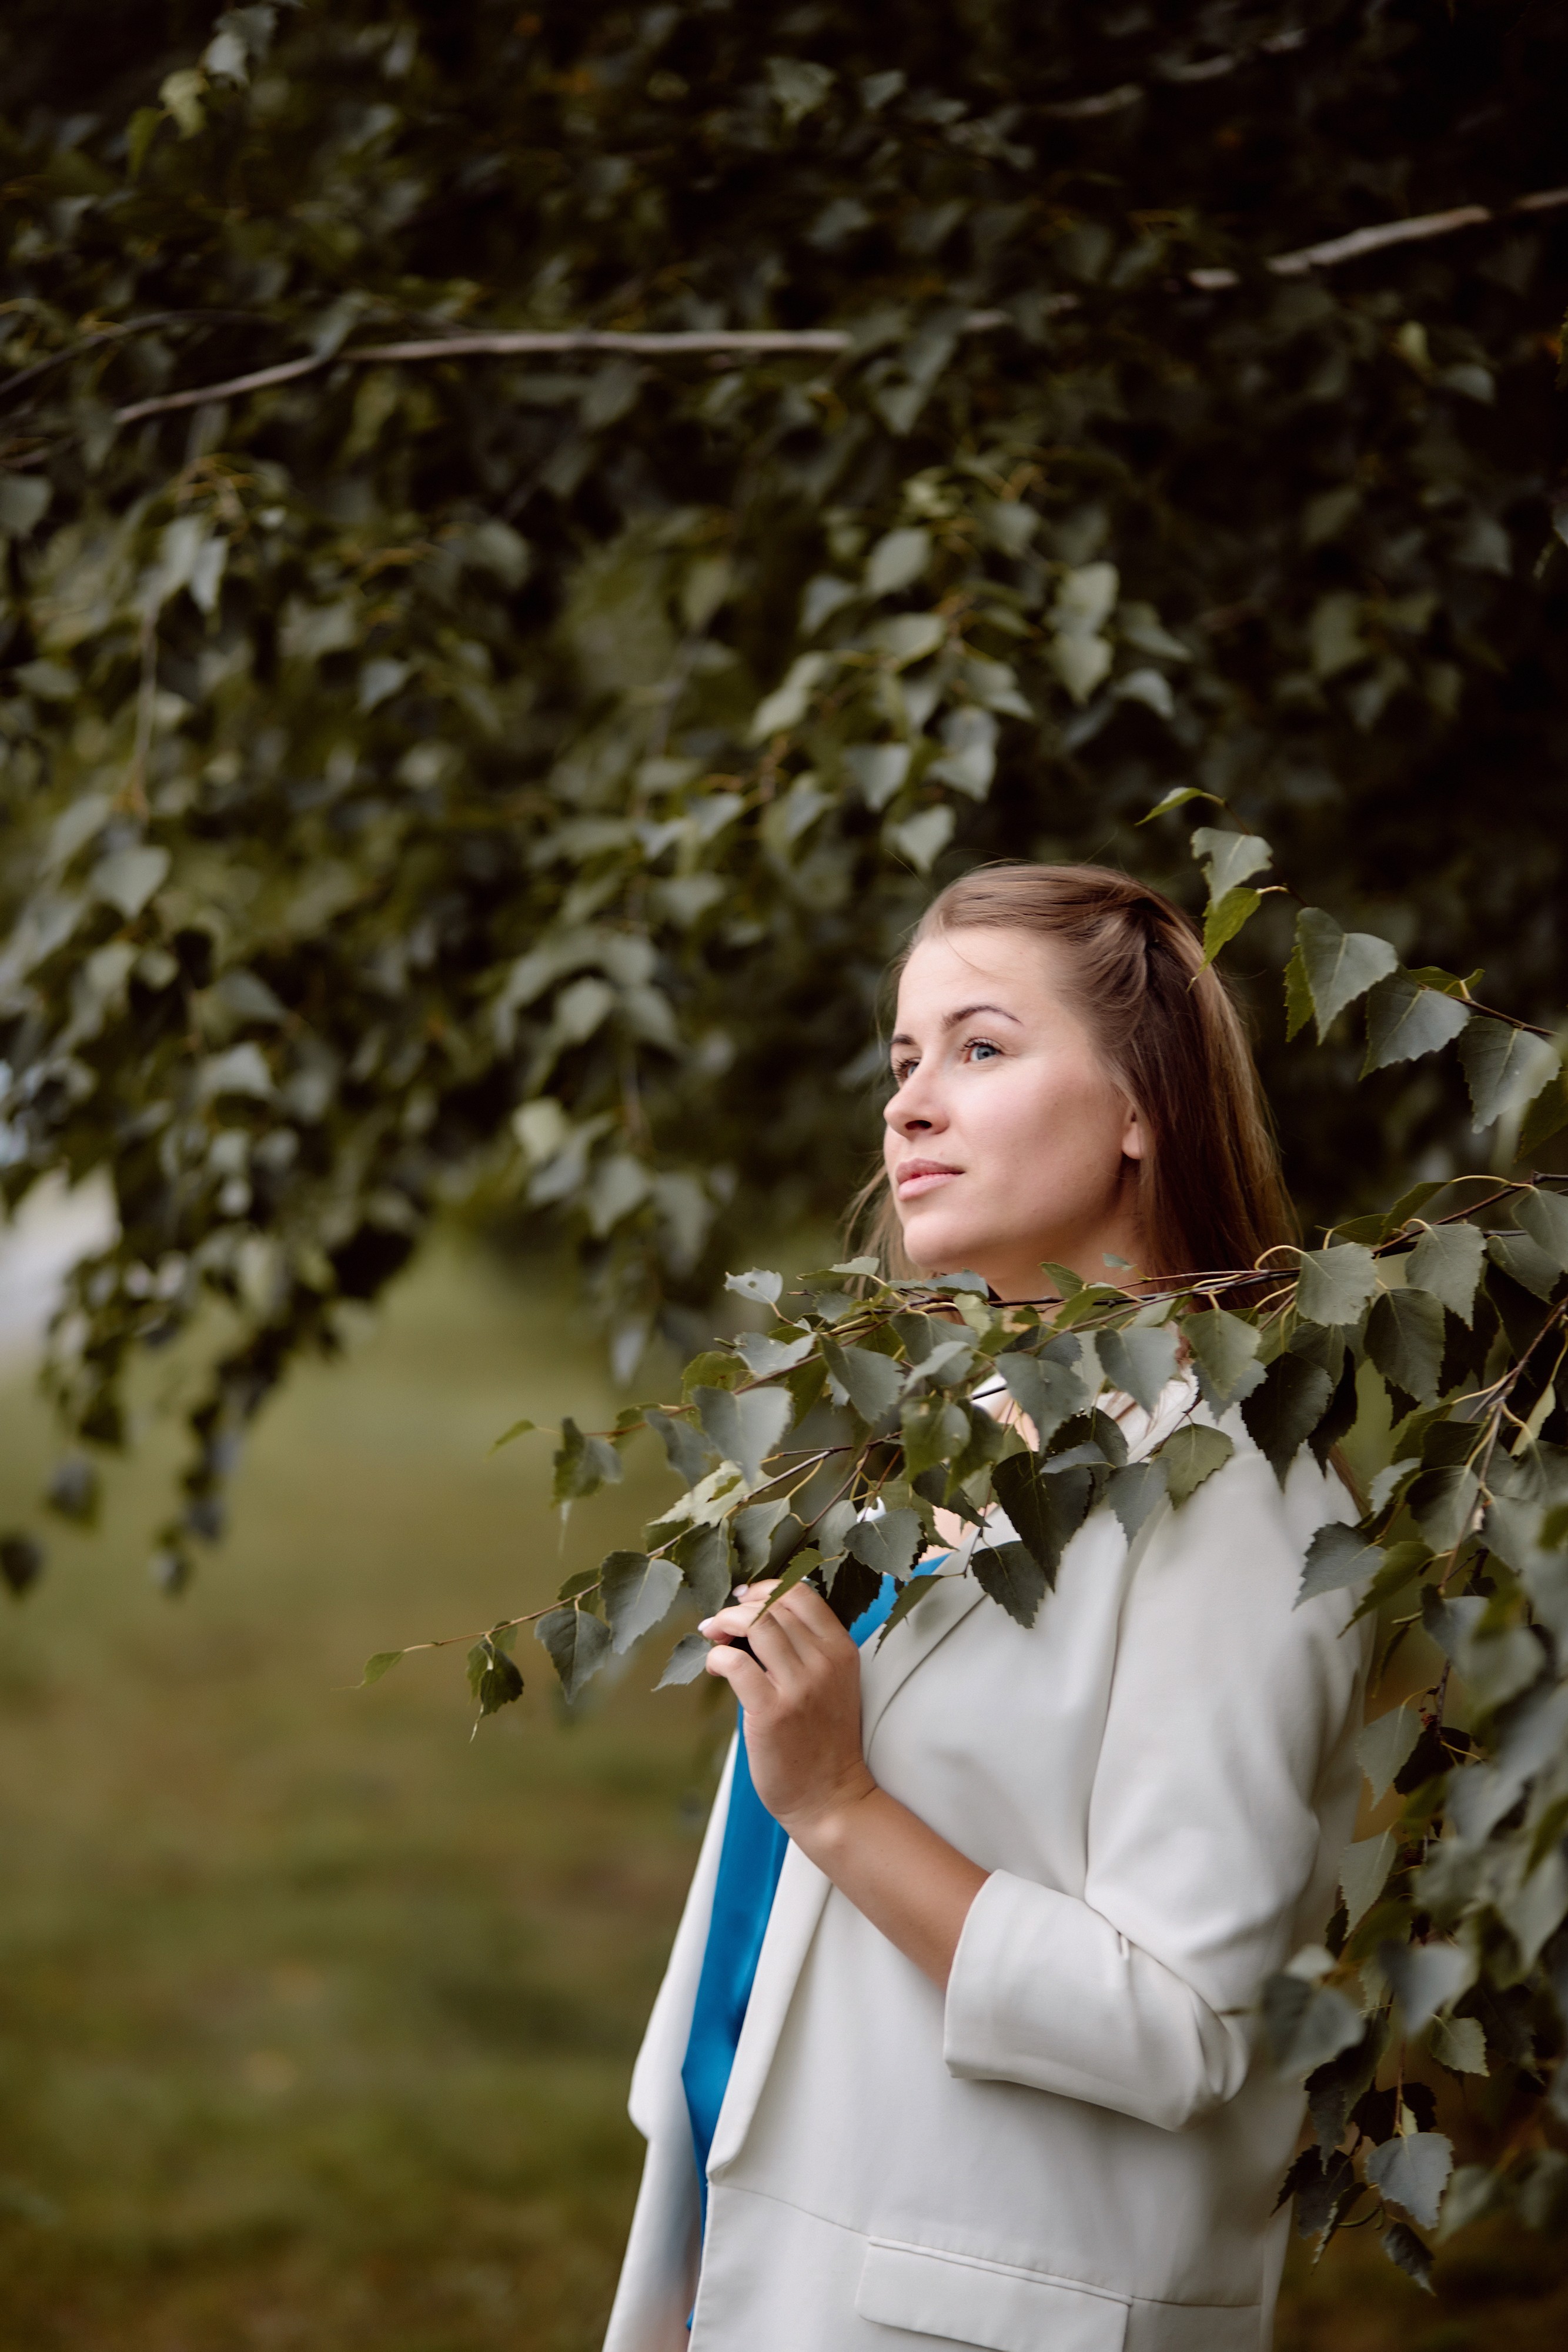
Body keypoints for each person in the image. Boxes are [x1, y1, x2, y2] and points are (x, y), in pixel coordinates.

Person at [603, 864, 1371, 2352]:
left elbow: (1182, 2023)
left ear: (1140, 1105)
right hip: (754, 2250)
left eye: (978, 1047)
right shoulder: (944, 1443)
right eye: (901, 1060)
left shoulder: (1230, 1504)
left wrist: (837, 1799)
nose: (905, 1105)